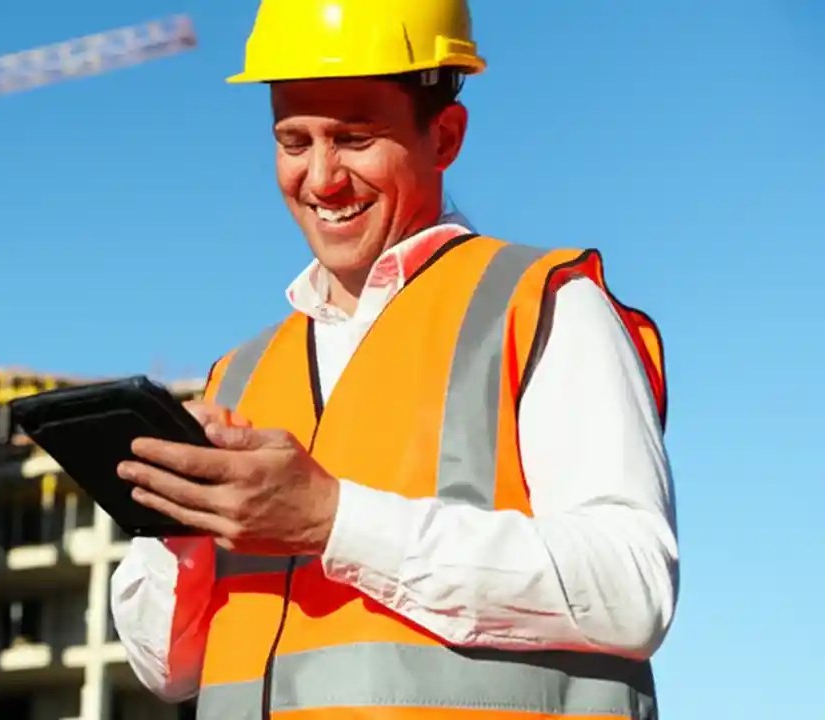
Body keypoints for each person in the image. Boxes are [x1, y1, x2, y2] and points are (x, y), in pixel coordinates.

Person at [109, 1, 679, 718]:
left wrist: (333, 520)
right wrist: (180, 520)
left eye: (354, 138)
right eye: (293, 141)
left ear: (445, 137)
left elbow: (630, 591)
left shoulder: (541, 307)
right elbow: (168, 670)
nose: (322, 178)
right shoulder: (241, 375)